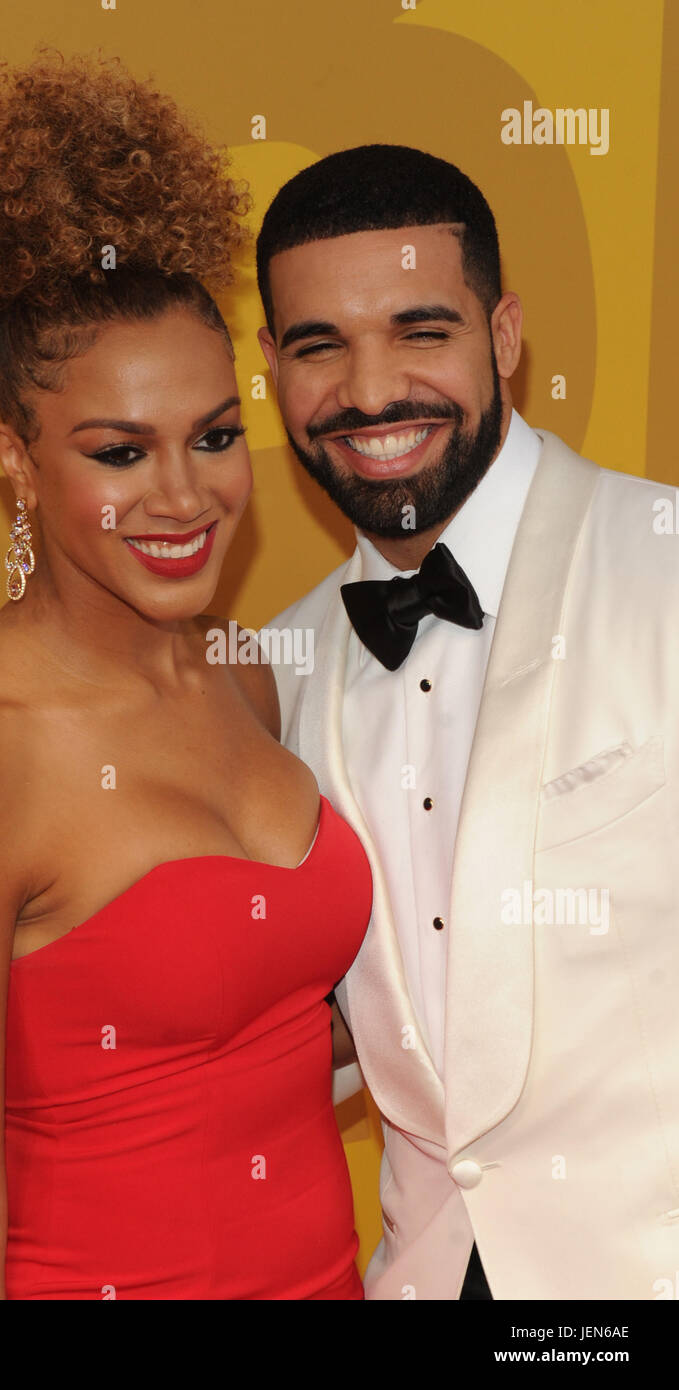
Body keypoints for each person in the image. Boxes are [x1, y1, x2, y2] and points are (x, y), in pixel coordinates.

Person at [0, 53, 372, 1301]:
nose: (185, 497)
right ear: (16, 460)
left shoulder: (242, 676)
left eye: (211, 435)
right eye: (117, 452)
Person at [257, 143, 679, 1300]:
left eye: (419, 330)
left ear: (502, 337)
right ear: (269, 370)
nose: (371, 388)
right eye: (318, 346)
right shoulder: (266, 680)